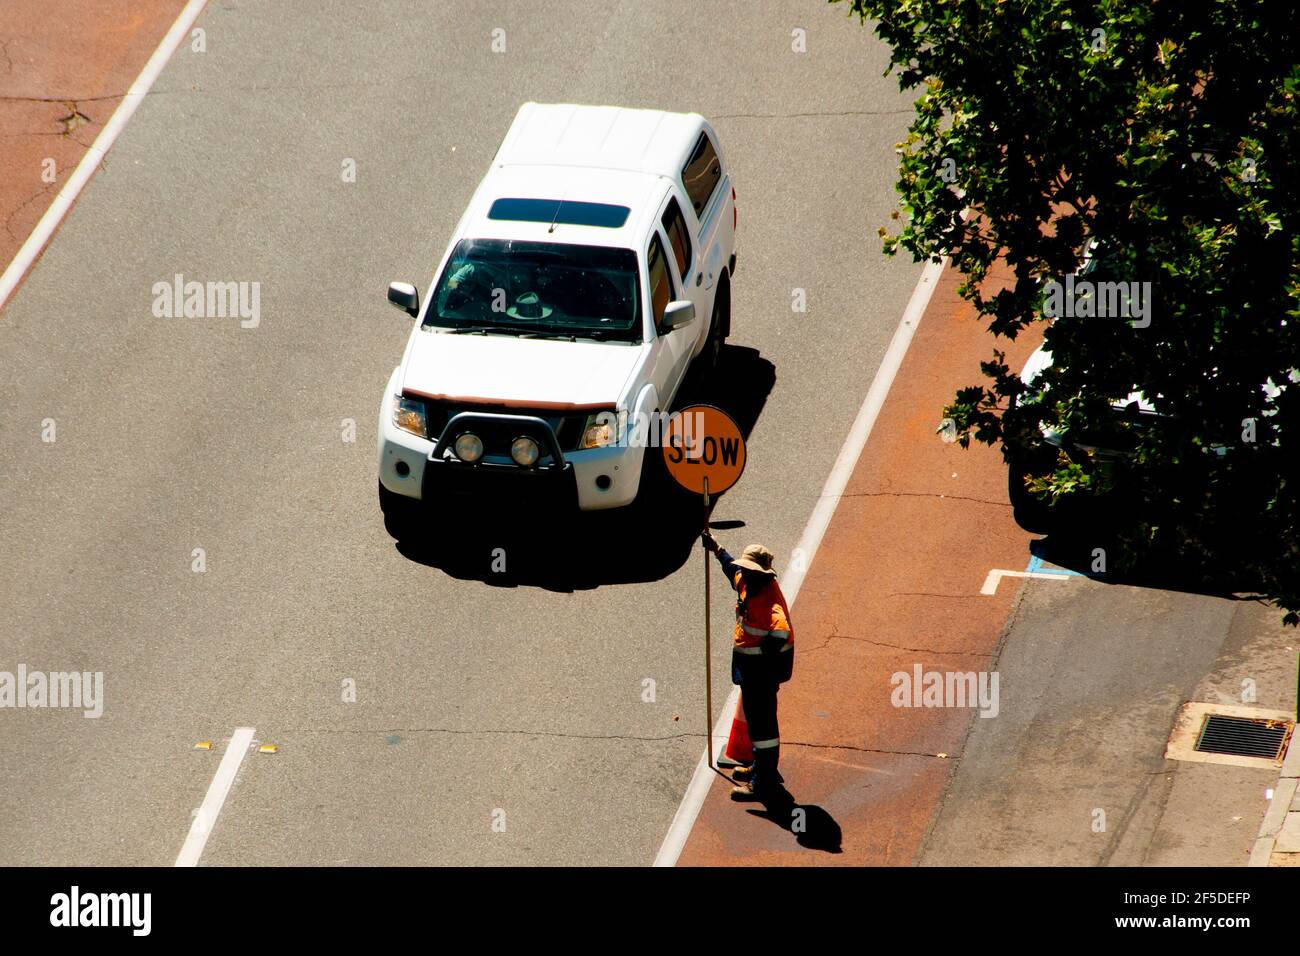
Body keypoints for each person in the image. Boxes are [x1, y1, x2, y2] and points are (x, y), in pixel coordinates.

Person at [701, 531, 795, 801]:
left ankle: (763, 782)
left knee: (763, 728)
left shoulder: (769, 600)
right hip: (751, 669)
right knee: (757, 724)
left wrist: (767, 653)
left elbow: (782, 631)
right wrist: (717, 548)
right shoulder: (747, 581)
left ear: (763, 574)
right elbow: (731, 569)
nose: (744, 572)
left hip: (762, 673)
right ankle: (760, 766)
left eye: (749, 570)